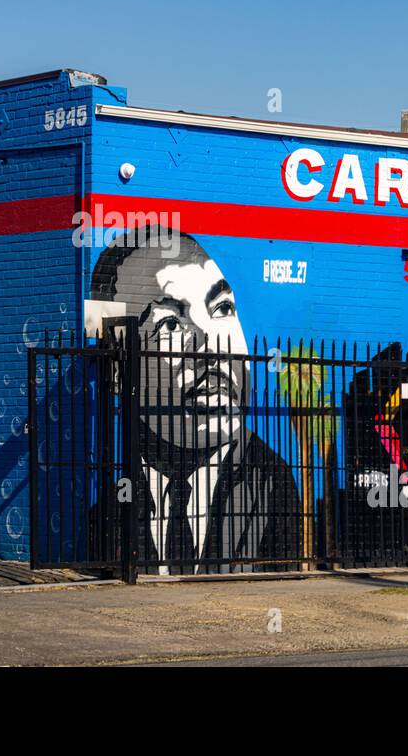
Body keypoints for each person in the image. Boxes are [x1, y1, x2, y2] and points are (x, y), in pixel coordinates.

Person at [89, 227, 300, 573]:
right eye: (171, 325)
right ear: (117, 369)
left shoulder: (272, 486)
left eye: (222, 308)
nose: (213, 349)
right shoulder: (108, 501)